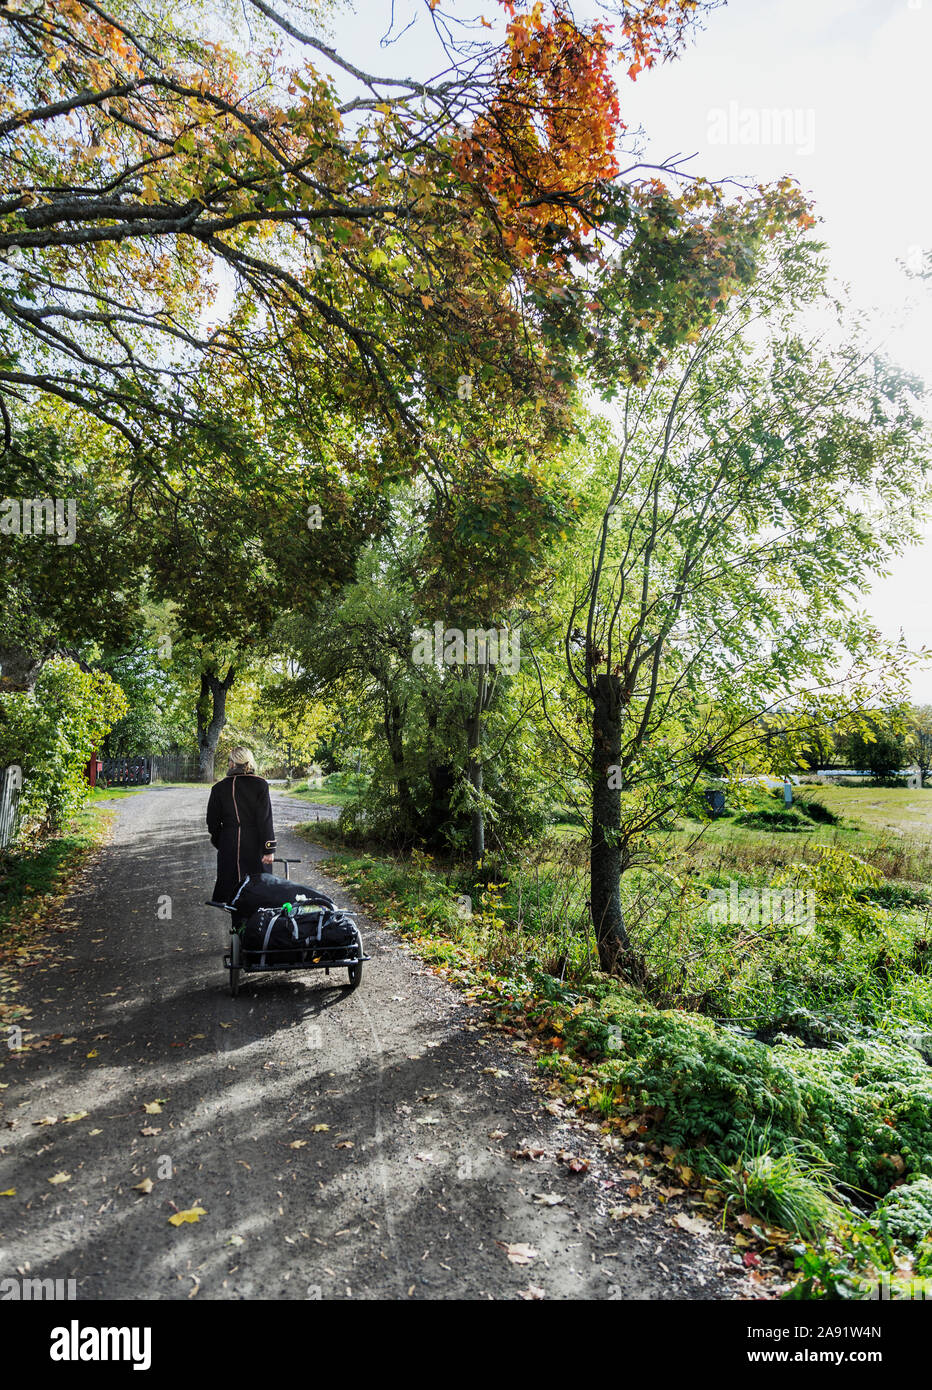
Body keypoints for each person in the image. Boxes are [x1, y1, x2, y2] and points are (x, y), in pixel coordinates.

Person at [206, 747, 276, 905]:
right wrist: (269, 849)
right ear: (249, 762)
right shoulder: (260, 784)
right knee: (259, 891)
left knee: (232, 893)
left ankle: (238, 925)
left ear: (231, 764)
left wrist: (222, 841)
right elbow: (265, 820)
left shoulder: (219, 788)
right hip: (255, 843)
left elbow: (212, 823)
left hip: (229, 842)